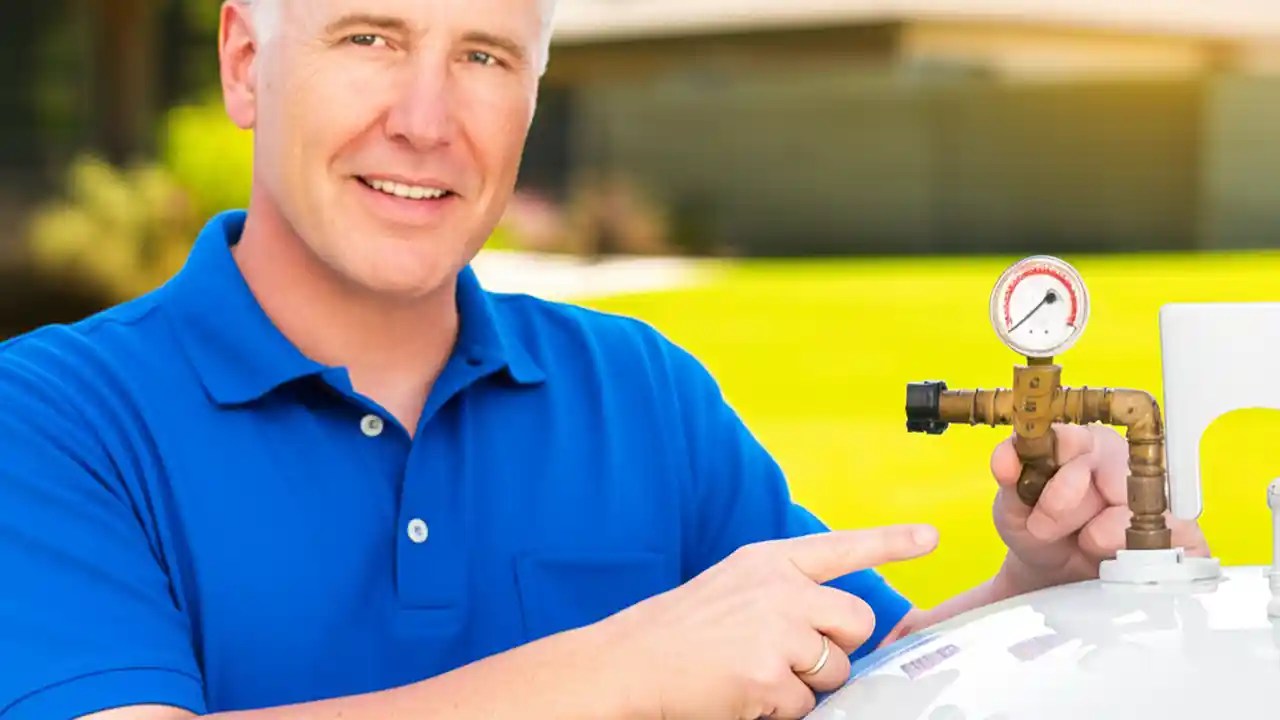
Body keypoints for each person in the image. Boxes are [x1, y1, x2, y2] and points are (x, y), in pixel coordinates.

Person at [0, 1, 1210, 719]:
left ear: (532, 94)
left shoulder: (639, 391)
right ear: (246, 64)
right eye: (371, 35)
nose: (425, 118)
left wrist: (1032, 593)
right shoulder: (53, 418)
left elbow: (853, 683)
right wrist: (613, 674)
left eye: (484, 54)